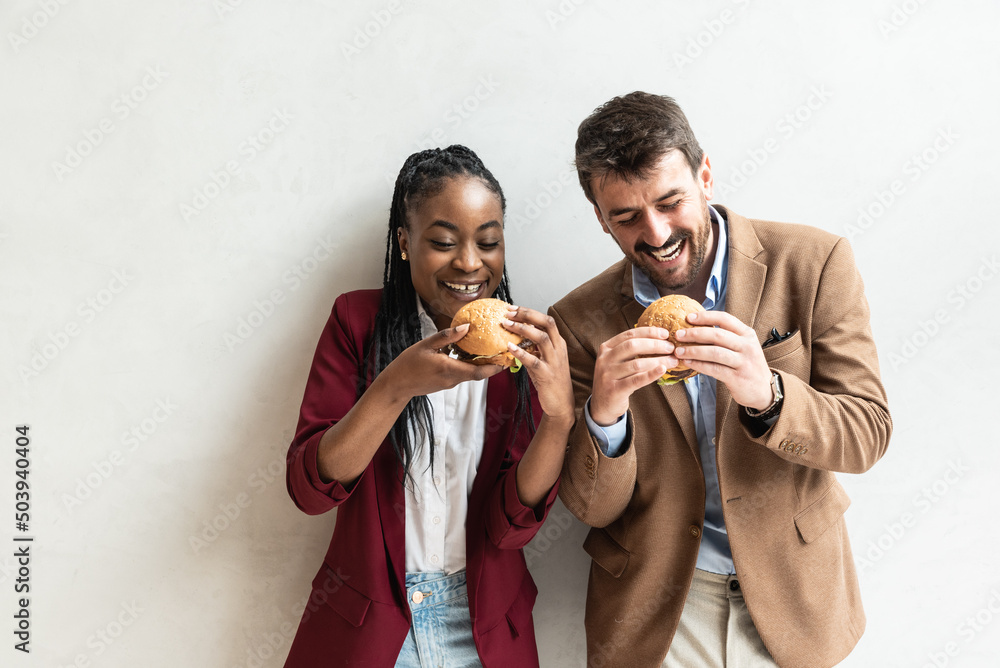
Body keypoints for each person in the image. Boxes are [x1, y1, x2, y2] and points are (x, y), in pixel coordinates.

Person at [549, 92, 892, 668]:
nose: (656, 233)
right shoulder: (579, 321)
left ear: (704, 175)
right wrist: (605, 415)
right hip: (658, 612)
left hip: (796, 599)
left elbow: (867, 434)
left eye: (671, 202)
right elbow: (592, 508)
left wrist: (769, 396)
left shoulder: (814, 262)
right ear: (600, 218)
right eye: (626, 217)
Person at [283, 145, 573, 667]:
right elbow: (310, 491)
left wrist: (559, 418)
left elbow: (512, 527)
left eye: (489, 242)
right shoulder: (355, 321)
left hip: (484, 626)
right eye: (443, 242)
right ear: (403, 242)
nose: (470, 262)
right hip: (371, 628)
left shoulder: (521, 349)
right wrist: (396, 386)